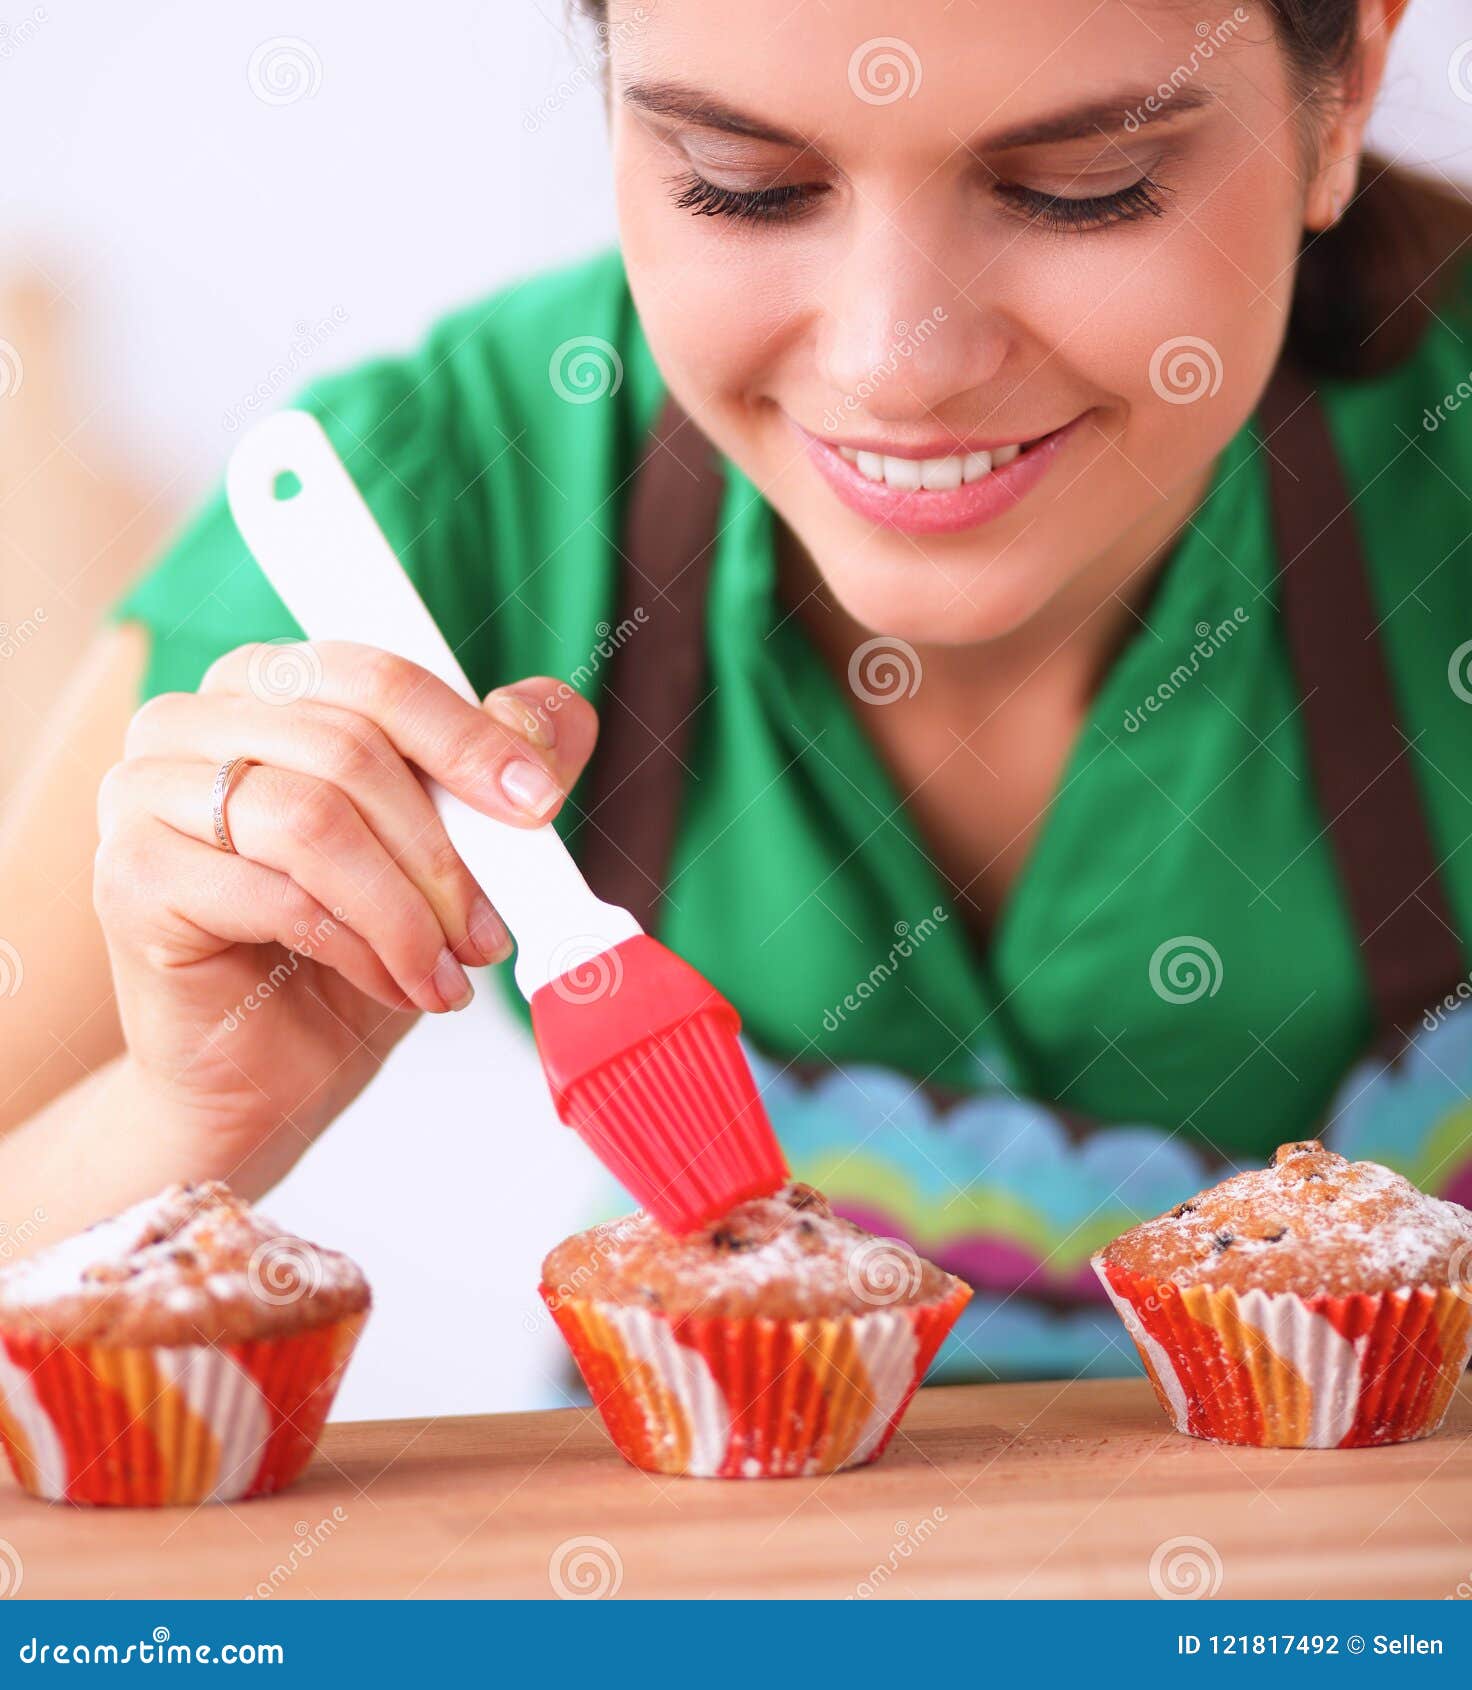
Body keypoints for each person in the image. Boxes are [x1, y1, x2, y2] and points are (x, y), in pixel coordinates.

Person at [4, 0, 1471, 1379]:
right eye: (742, 182)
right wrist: (191, 1120)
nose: (897, 366)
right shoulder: (425, 515)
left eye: (1081, 185)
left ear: (1336, 96)